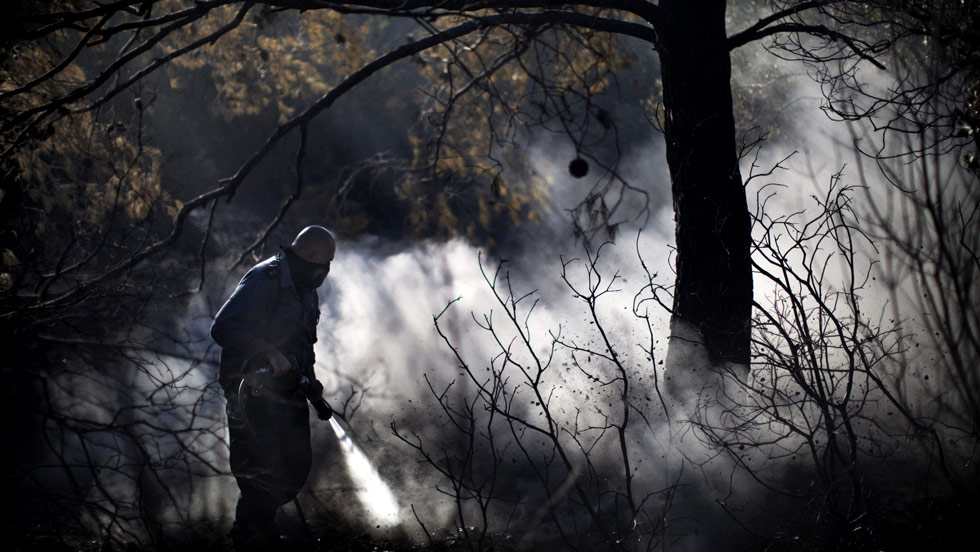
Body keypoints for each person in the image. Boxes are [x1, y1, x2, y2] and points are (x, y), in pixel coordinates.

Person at [211, 225, 336, 550]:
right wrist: (266, 351)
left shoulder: (306, 288)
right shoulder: (264, 279)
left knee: (294, 466)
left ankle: (260, 525)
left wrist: (310, 379)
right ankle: (250, 536)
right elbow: (223, 327)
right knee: (259, 469)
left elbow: (302, 342)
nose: (327, 270)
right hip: (250, 389)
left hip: (287, 391)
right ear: (310, 256)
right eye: (326, 262)